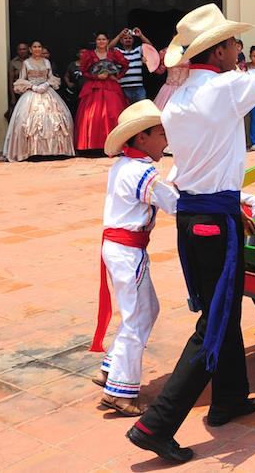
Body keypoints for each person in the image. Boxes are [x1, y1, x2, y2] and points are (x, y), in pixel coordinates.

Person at [127, 4, 255, 463]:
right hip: (215, 220)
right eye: (234, 42)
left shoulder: (178, 98)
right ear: (217, 51)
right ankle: (156, 424)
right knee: (214, 322)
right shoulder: (223, 88)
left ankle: (229, 397)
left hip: (195, 215)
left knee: (223, 308)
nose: (239, 48)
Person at [90, 100, 179, 417]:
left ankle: (112, 367)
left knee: (144, 309)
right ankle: (120, 392)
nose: (165, 140)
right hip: (128, 251)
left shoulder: (125, 165)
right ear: (142, 138)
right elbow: (174, 203)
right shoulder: (143, 173)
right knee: (137, 316)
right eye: (160, 134)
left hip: (120, 249)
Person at [2, 40, 75, 161]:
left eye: (39, 46)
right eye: (35, 47)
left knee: (58, 119)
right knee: (26, 121)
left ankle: (54, 150)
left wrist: (46, 84)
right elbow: (22, 79)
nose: (37, 49)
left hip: (47, 92)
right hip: (32, 93)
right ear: (31, 49)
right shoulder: (26, 63)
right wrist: (32, 86)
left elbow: (51, 77)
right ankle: (31, 151)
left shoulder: (46, 62)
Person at [75, 33, 128, 152]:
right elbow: (84, 71)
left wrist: (117, 76)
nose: (101, 41)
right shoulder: (89, 55)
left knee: (113, 113)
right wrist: (96, 77)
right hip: (94, 86)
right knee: (92, 115)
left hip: (111, 86)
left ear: (108, 41)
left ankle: (114, 144)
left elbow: (125, 65)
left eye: (103, 39)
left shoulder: (114, 53)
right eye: (99, 39)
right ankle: (93, 145)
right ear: (95, 41)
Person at [114, 28, 152, 105]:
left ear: (133, 40)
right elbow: (108, 48)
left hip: (138, 87)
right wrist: (119, 35)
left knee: (142, 108)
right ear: (121, 41)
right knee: (125, 110)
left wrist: (141, 35)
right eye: (125, 38)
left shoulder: (138, 50)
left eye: (130, 38)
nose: (128, 39)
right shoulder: (118, 52)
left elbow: (149, 46)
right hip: (123, 88)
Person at [153, 47, 190, 112]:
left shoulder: (192, 50)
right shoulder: (167, 51)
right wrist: (149, 63)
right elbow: (161, 70)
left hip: (185, 89)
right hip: (169, 89)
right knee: (162, 112)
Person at [6, 41, 30, 120]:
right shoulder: (13, 63)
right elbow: (11, 81)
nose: (22, 51)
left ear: (28, 50)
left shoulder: (32, 61)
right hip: (18, 93)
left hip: (31, 91)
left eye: (24, 49)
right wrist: (12, 97)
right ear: (17, 51)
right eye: (20, 49)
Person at [62, 43, 88, 114]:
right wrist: (68, 83)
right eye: (82, 52)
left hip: (86, 90)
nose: (84, 54)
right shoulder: (72, 64)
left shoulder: (90, 64)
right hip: (75, 90)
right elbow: (66, 76)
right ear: (78, 54)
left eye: (86, 53)